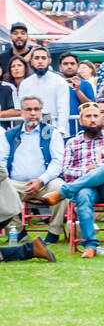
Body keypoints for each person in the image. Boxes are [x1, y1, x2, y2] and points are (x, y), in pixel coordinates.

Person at [51, 102, 104, 259]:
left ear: (101, 119)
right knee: (84, 194)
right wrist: (87, 172)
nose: (93, 120)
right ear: (80, 121)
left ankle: (64, 191)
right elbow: (66, 171)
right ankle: (90, 246)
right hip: (88, 189)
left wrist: (99, 169)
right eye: (88, 116)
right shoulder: (72, 143)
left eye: (96, 116)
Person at [1, 96, 67, 243]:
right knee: (2, 187)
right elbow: (2, 161)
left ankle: (54, 233)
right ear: (21, 113)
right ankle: (17, 232)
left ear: (41, 112)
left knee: (61, 187)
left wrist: (41, 180)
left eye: (36, 109)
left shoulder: (52, 133)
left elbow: (57, 162)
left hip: (45, 183)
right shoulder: (10, 135)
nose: (32, 113)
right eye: (28, 109)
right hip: (17, 184)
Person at [19, 47, 69, 135]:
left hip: (54, 127)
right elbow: (22, 108)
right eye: (37, 58)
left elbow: (63, 108)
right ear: (31, 61)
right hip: (31, 128)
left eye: (43, 58)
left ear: (49, 60)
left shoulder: (59, 81)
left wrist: (61, 129)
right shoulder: (25, 83)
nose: (40, 61)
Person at [58, 53, 95, 137]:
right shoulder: (55, 84)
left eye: (72, 63)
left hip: (80, 130)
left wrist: (78, 90)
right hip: (60, 129)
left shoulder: (86, 84)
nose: (69, 66)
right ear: (60, 67)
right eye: (65, 64)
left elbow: (91, 106)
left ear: (78, 66)